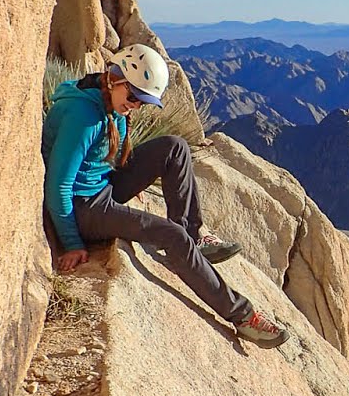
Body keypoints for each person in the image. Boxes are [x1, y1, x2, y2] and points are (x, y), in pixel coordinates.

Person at [42, 45, 288, 346]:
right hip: (84, 207)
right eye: (134, 96)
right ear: (116, 78)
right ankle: (243, 316)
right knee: (172, 236)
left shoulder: (107, 97)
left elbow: (101, 156)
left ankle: (193, 239)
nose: (135, 105)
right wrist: (72, 243)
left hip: (101, 186)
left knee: (174, 147)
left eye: (142, 101)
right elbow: (59, 185)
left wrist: (130, 179)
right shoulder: (83, 117)